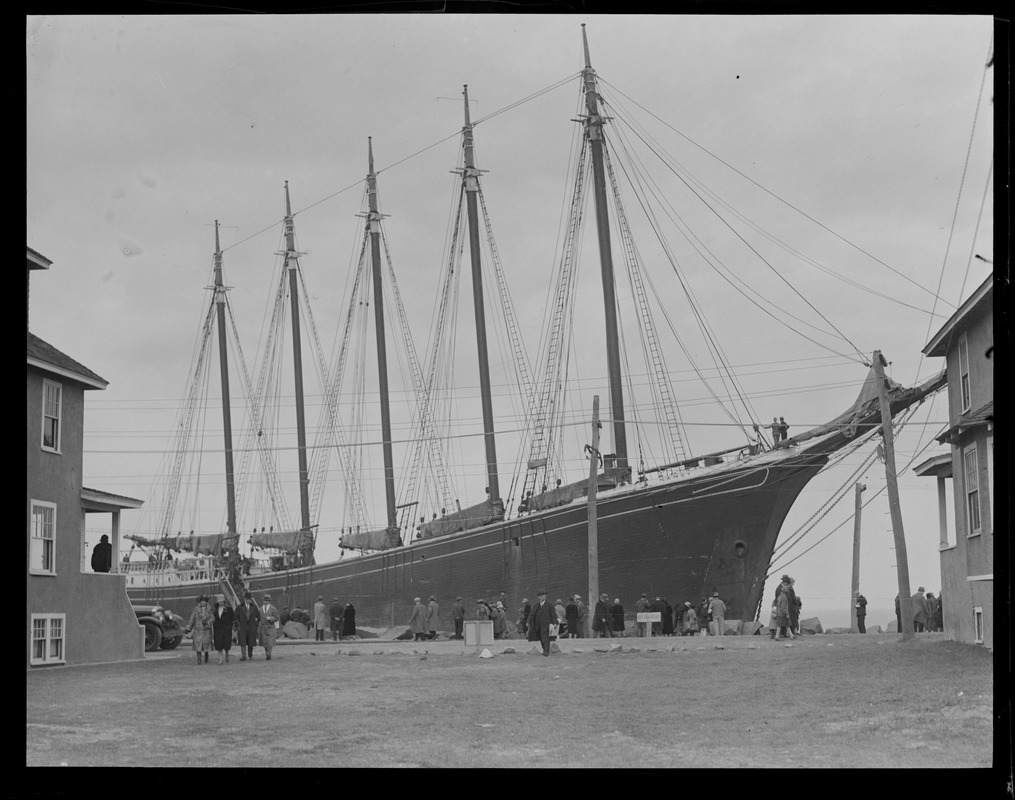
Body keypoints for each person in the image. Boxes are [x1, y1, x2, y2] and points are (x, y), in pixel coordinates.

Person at [185, 595, 214, 665]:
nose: (202, 603)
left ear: (206, 602)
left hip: (206, 629)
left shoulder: (210, 609)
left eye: (204, 601)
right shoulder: (196, 609)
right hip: (197, 629)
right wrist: (188, 627)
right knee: (198, 645)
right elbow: (192, 618)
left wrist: (208, 622)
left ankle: (206, 657)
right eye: (201, 601)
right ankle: (199, 659)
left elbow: (213, 618)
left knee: (206, 644)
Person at [526, 589, 556, 656]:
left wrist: (555, 623)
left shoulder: (549, 605)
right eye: (539, 596)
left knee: (545, 638)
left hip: (546, 625)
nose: (540, 598)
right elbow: (531, 614)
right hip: (537, 625)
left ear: (545, 596)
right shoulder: (536, 606)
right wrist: (528, 622)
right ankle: (544, 650)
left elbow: (553, 614)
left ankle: (546, 651)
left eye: (541, 596)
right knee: (540, 638)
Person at [235, 590, 260, 661]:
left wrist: (256, 624)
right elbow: (235, 616)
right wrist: (238, 624)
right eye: (247, 599)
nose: (248, 600)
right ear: (244, 599)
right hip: (242, 626)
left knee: (250, 641)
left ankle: (250, 654)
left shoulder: (254, 607)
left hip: (251, 626)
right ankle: (243, 656)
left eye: (249, 599)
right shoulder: (239, 607)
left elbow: (258, 616)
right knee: (243, 642)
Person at [212, 596, 235, 665]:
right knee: (219, 644)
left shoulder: (229, 609)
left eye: (221, 601)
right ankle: (220, 658)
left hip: (226, 629)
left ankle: (227, 654)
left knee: (226, 644)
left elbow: (233, 617)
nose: (220, 603)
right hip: (218, 629)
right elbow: (212, 618)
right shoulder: (214, 609)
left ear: (224, 602)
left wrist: (233, 627)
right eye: (219, 602)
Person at [258, 593, 280, 660]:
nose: (265, 602)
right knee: (265, 642)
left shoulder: (273, 609)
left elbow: (277, 618)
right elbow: (258, 618)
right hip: (263, 628)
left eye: (266, 601)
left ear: (269, 601)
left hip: (270, 627)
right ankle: (267, 653)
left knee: (270, 643)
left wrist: (271, 618)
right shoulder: (260, 609)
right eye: (264, 600)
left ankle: (269, 654)